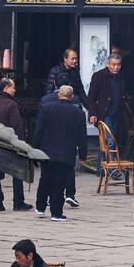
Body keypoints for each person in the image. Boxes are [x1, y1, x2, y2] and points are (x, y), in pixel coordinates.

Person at [33, 85, 82, 221]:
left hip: (47, 151)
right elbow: (81, 136)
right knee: (59, 182)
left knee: (45, 179)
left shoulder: (47, 108)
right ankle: (56, 213)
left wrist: (34, 149)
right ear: (72, 97)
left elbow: (39, 130)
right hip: (66, 153)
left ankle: (40, 207)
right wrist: (82, 155)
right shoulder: (78, 113)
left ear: (58, 95)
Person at [0, 78, 31, 211]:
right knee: (17, 173)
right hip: (10, 144)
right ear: (6, 88)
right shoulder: (11, 105)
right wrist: (21, 144)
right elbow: (17, 126)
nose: (14, 90)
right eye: (13, 87)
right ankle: (18, 202)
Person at [87, 50, 127, 168]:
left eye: (118, 65)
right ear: (108, 64)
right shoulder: (99, 76)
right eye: (113, 64)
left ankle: (100, 169)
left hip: (117, 113)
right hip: (105, 114)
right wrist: (92, 114)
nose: (116, 67)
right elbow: (91, 98)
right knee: (109, 142)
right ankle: (113, 169)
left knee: (107, 142)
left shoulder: (121, 77)